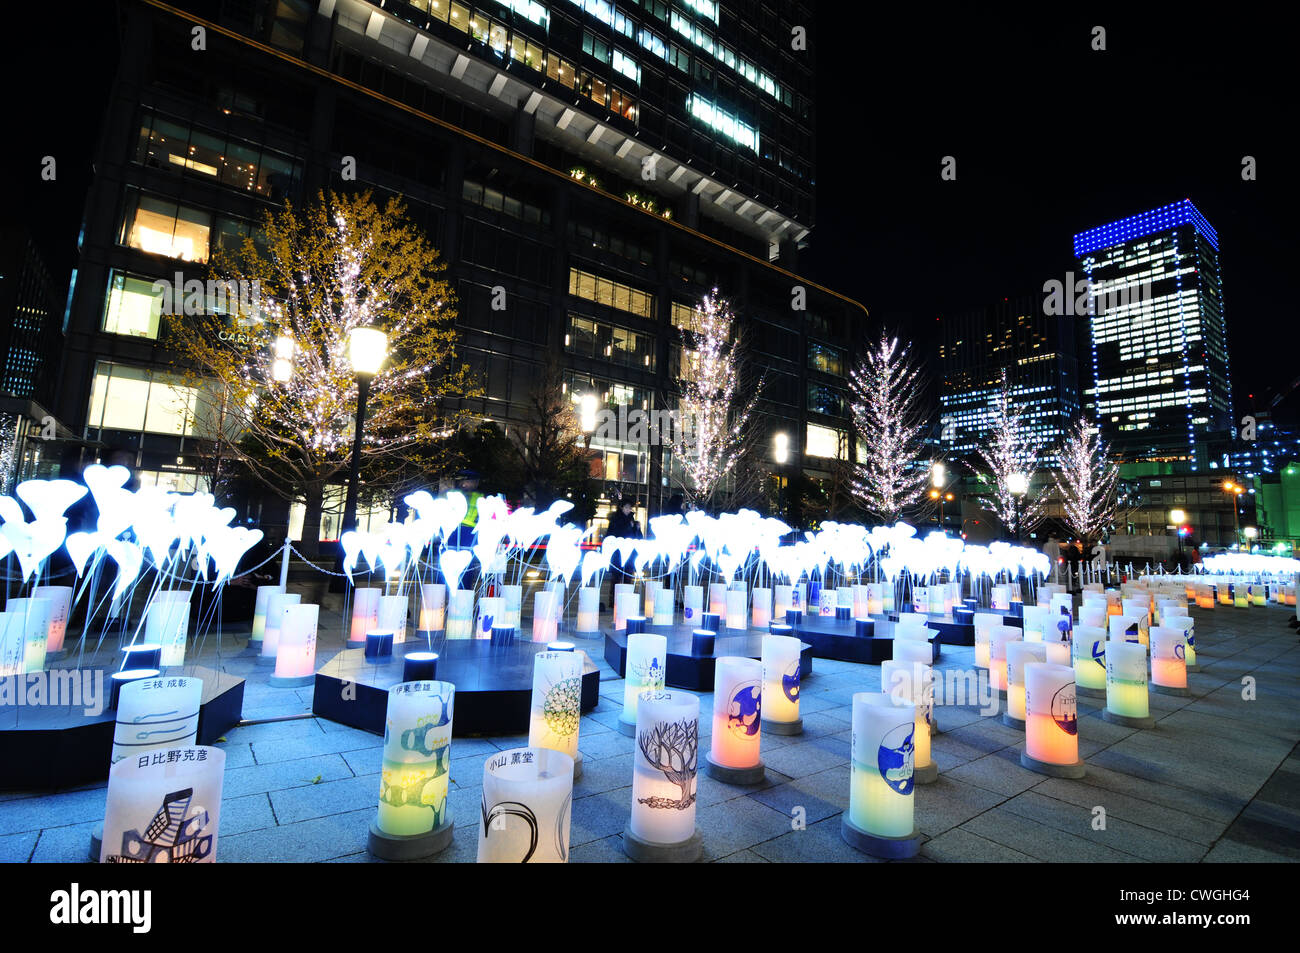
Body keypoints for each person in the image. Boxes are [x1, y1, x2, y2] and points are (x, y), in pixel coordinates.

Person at [606, 497, 642, 588]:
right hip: (618, 553)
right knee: (616, 579)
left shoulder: (632, 520)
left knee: (628, 578)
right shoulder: (615, 520)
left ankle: (626, 598)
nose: (628, 510)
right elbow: (612, 535)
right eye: (626, 507)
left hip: (630, 553)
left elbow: (638, 537)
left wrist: (636, 528)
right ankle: (613, 600)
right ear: (621, 508)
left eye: (630, 508)